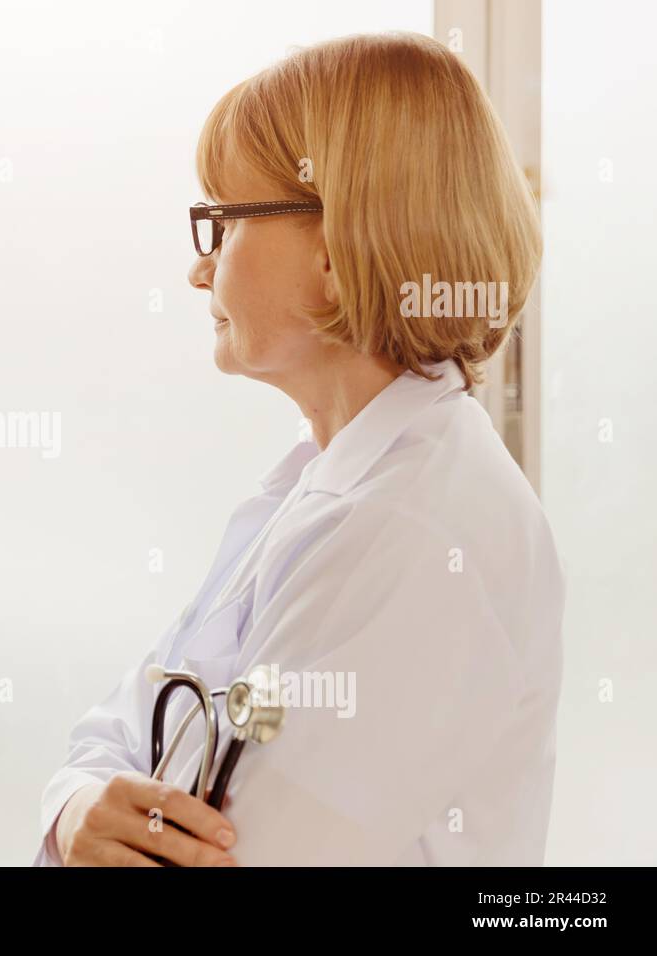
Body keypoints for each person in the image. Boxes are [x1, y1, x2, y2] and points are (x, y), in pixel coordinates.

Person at [32, 31, 563, 866]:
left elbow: (216, 853)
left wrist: (99, 818)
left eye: (222, 222)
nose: (199, 272)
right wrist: (76, 811)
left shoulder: (416, 534)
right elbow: (124, 730)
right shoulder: (324, 485)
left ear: (334, 252)